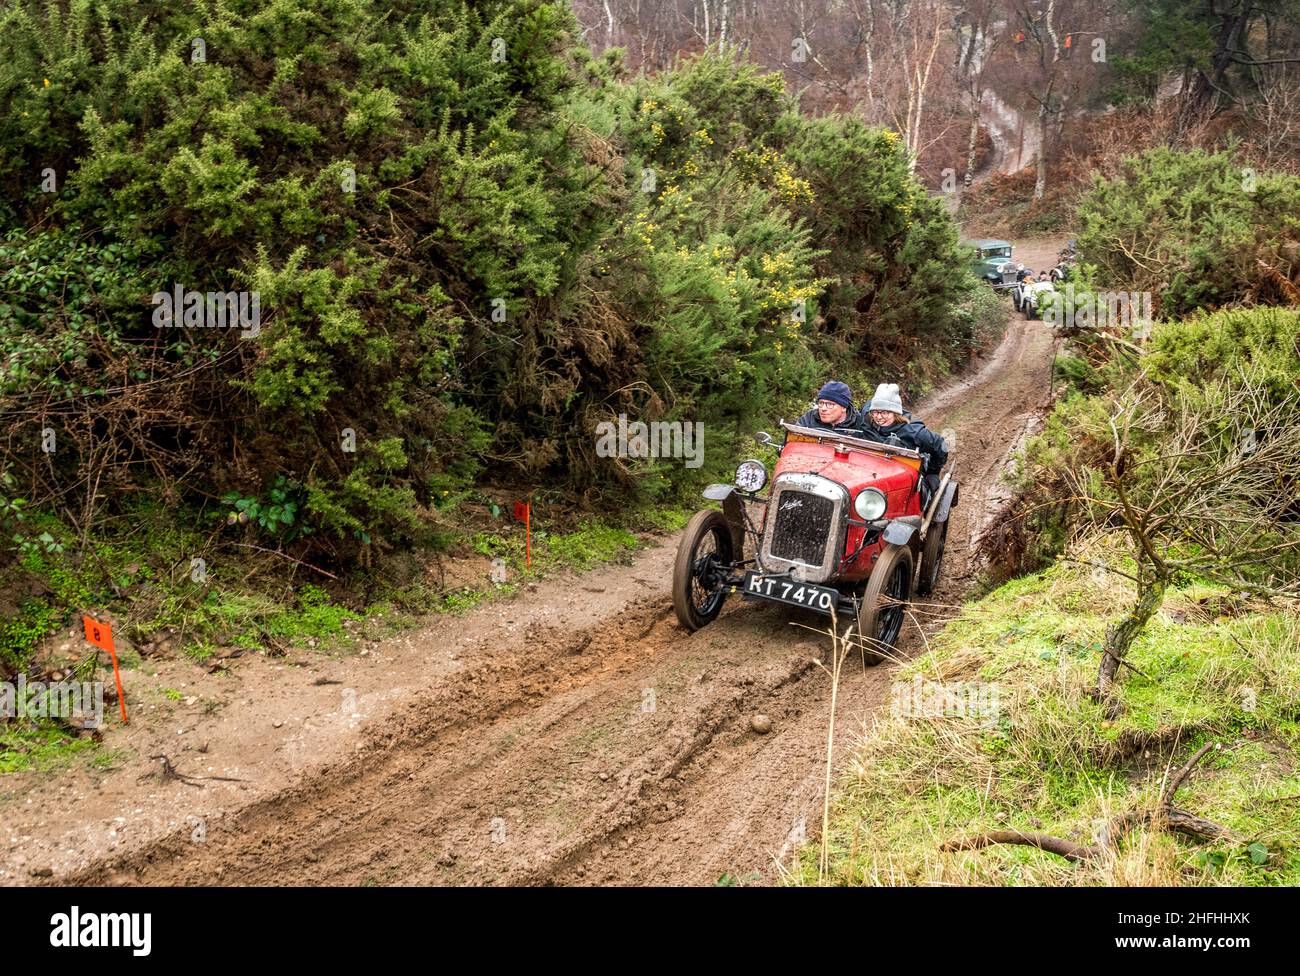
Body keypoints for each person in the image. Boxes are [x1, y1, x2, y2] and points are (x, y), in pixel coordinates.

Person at [858, 383, 948, 500]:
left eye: (885, 412)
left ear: (895, 413)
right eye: (875, 412)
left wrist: (932, 472)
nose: (879, 417)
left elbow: (940, 445)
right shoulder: (866, 418)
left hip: (900, 478)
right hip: (870, 471)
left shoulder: (914, 433)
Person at [792, 380, 859, 433]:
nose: (823, 408)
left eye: (830, 404)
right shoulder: (809, 419)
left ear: (844, 407)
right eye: (821, 403)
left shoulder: (860, 424)